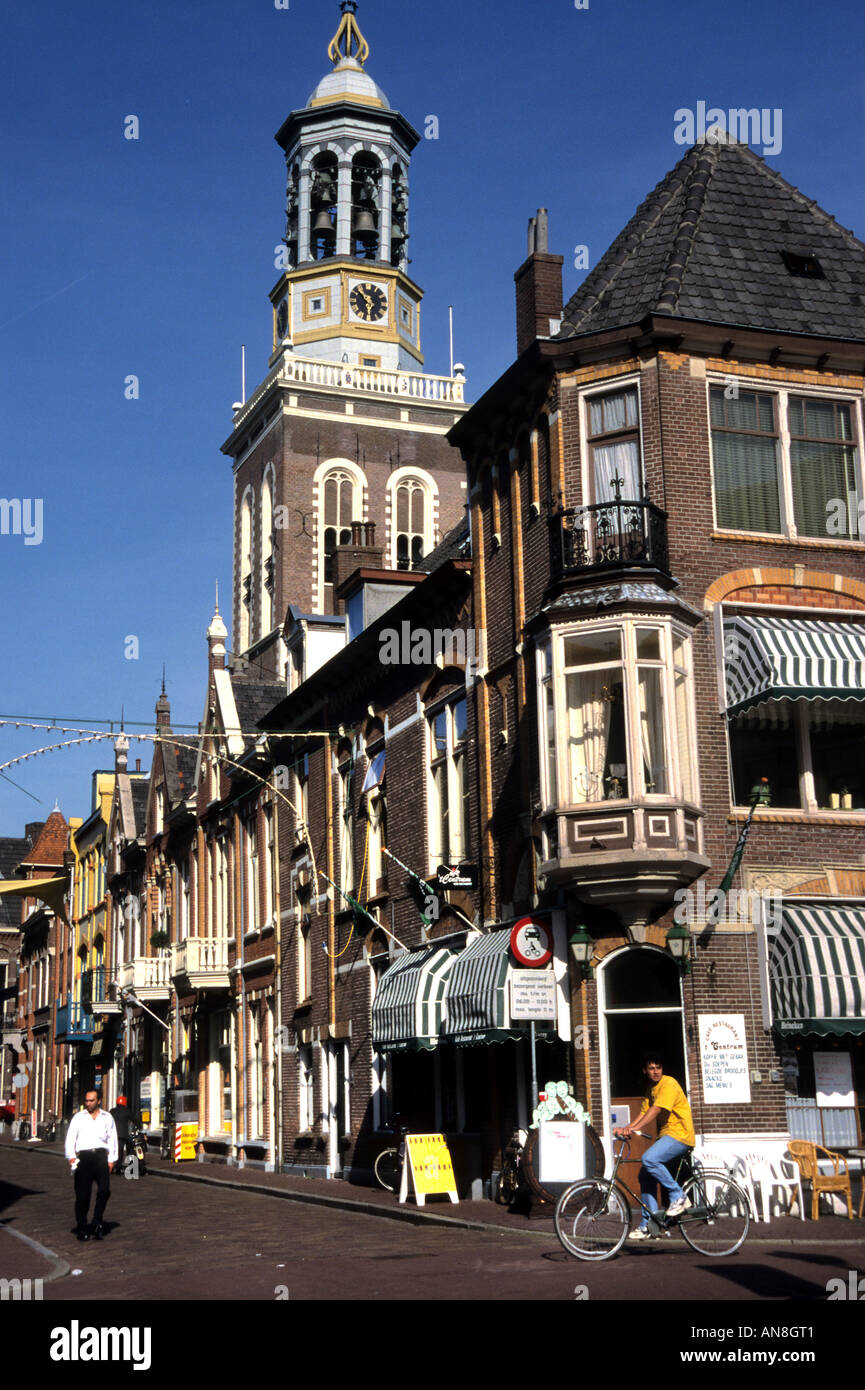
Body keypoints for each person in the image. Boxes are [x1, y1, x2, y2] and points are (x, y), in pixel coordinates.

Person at [614, 1053, 695, 1241]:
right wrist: (627, 1129)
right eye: (651, 1068)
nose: (656, 1071)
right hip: (667, 1135)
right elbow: (644, 1113)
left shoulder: (669, 1083)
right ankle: (650, 1225)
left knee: (649, 1159)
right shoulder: (651, 1089)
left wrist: (633, 1128)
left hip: (680, 1135)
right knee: (645, 1175)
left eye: (658, 1067)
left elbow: (657, 1109)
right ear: (645, 1071)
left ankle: (678, 1196)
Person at [65, 1089, 118, 1241]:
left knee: (104, 1191)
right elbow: (71, 1138)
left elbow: (112, 1139)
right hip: (85, 1157)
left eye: (91, 1100)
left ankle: (96, 1220)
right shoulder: (78, 1117)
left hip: (101, 1156)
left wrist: (111, 1159)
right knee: (83, 1196)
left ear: (99, 1101)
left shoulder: (107, 1117)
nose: (88, 1103)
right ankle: (82, 1227)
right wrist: (71, 1156)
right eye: (86, 1100)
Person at [110, 1094, 131, 1168]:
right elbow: (134, 1119)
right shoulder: (127, 1111)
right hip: (123, 1134)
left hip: (113, 1133)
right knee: (121, 1150)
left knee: (113, 1149)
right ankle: (118, 1167)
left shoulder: (112, 1111)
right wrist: (140, 1126)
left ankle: (111, 1164)